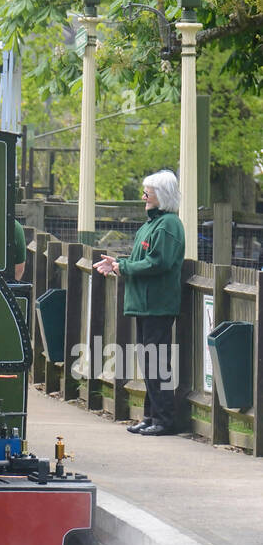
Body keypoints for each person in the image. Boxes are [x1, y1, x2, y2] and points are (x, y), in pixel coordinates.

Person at [95, 170, 185, 436]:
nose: (144, 197)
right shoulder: (151, 225)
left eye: (149, 193)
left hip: (157, 304)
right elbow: (143, 260)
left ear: (162, 196)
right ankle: (151, 415)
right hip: (145, 303)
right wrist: (119, 264)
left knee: (156, 363)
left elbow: (158, 263)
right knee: (149, 362)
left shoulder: (168, 225)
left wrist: (123, 267)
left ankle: (164, 419)